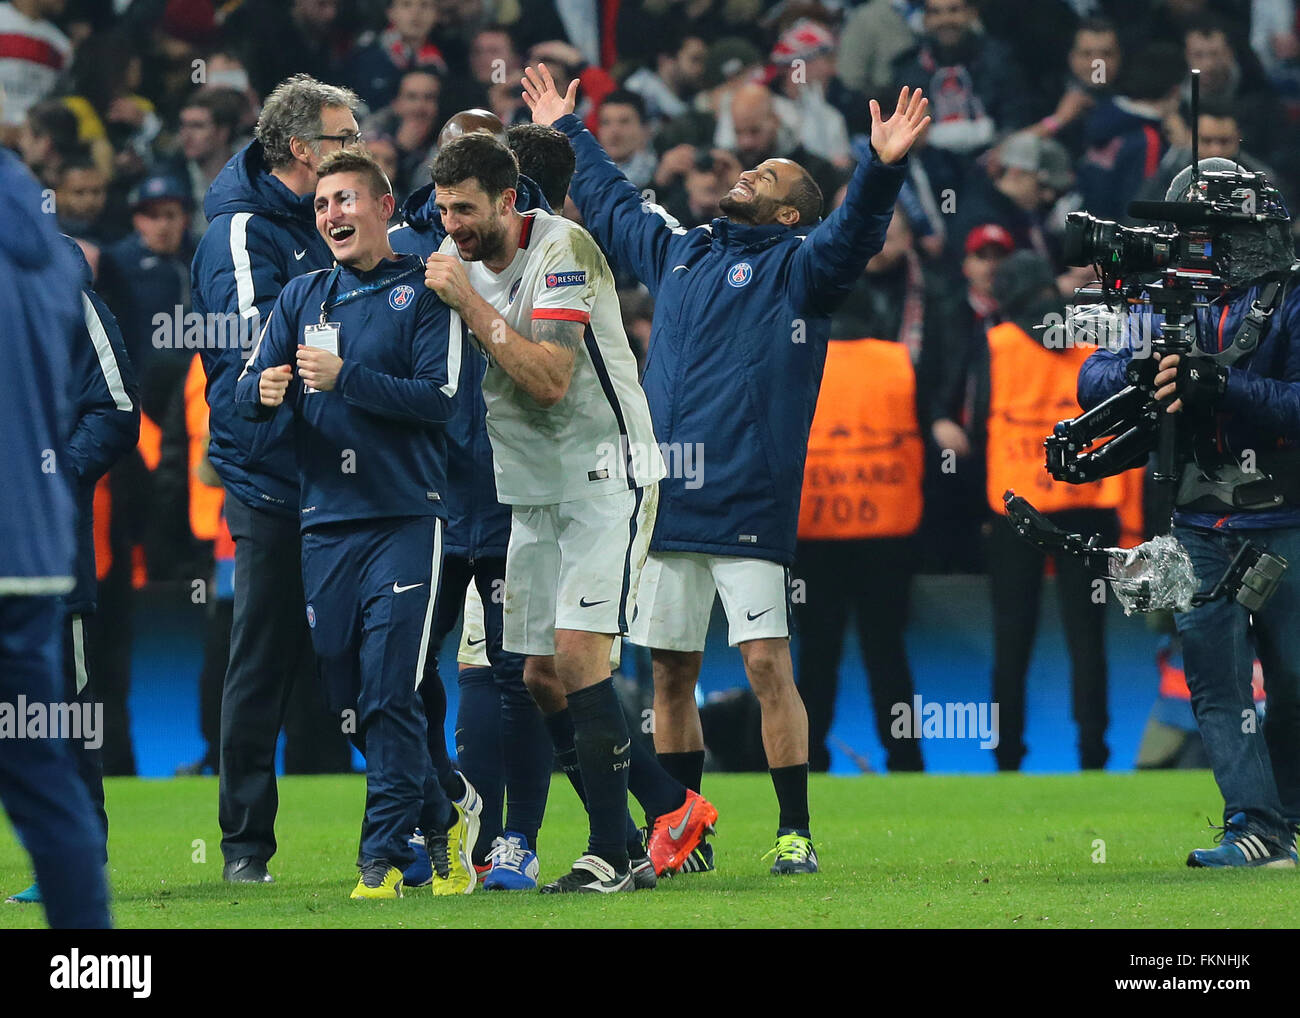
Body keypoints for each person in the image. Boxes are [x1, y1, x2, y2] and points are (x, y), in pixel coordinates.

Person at [526, 63, 928, 873]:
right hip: (665, 499)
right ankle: (686, 832)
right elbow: (610, 201)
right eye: (750, 165)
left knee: (766, 663)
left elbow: (852, 233)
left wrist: (881, 169)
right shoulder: (680, 253)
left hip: (749, 496)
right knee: (671, 673)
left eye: (766, 174)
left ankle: (794, 831)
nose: (746, 171)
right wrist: (568, 132)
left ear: (787, 212)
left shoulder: (799, 271)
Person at [423, 129, 713, 892]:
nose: (451, 223)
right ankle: (668, 812)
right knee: (540, 675)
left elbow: (549, 378)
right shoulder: (453, 257)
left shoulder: (564, 249)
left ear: (508, 200)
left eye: (465, 208)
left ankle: (609, 854)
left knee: (582, 658)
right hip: (530, 491)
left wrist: (467, 305)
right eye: (442, 208)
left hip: (605, 478)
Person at [236, 148, 464, 898]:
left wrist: (348, 381)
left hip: (404, 516)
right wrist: (265, 392)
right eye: (322, 203)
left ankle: (383, 856)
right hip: (324, 522)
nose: (332, 212)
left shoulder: (427, 289)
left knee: (388, 690)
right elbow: (244, 399)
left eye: (346, 199)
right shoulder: (302, 297)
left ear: (384, 205)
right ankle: (443, 812)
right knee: (346, 692)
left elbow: (441, 399)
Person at [1078, 159, 1300, 867]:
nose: (1197, 241)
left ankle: (1285, 816)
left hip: (1288, 512)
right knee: (1216, 682)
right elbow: (1092, 377)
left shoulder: (1293, 297)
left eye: (1210, 228)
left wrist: (1226, 385)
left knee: (1294, 680)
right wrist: (1145, 370)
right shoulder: (1161, 296)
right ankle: (1256, 828)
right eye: (1187, 228)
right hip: (1200, 520)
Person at [193, 72, 360, 885]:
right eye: (342, 137)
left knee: (375, 662)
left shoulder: (333, 217)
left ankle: (424, 825)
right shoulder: (241, 234)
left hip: (356, 478)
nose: (355, 149)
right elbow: (252, 361)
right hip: (274, 484)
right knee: (261, 661)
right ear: (301, 148)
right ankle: (244, 851)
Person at [389, 108, 558, 892]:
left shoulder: (545, 249)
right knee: (396, 670)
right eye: (446, 192)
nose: (456, 216)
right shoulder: (410, 255)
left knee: (519, 671)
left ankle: (517, 838)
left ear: (508, 183)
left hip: (512, 490)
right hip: (428, 493)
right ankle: (444, 798)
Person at [6, 236, 139, 908]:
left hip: (43, 558)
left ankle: (76, 862)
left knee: (59, 712)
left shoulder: (59, 285)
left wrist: (49, 485)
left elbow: (115, 410)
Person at [0, 148, 111, 929]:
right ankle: (93, 962)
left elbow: (113, 407)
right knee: (46, 775)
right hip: (32, 557)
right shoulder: (58, 269)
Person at [983, 251, 1122, 771]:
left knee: (1011, 637)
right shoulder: (1092, 337)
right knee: (1088, 640)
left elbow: (975, 423)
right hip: (1089, 506)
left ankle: (1007, 757)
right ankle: (1094, 755)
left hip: (1015, 508)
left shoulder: (996, 345)